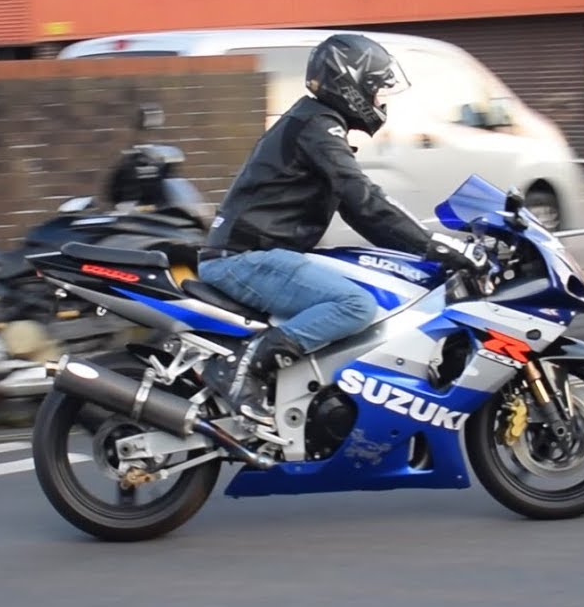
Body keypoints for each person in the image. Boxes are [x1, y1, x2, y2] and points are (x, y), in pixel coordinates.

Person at [196, 33, 486, 421]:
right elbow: (365, 198)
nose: (380, 99)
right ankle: (241, 369)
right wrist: (437, 244)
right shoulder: (317, 127)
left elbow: (362, 213)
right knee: (355, 305)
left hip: (258, 255)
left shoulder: (315, 123)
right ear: (350, 85)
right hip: (245, 259)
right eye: (375, 88)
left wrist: (428, 253)